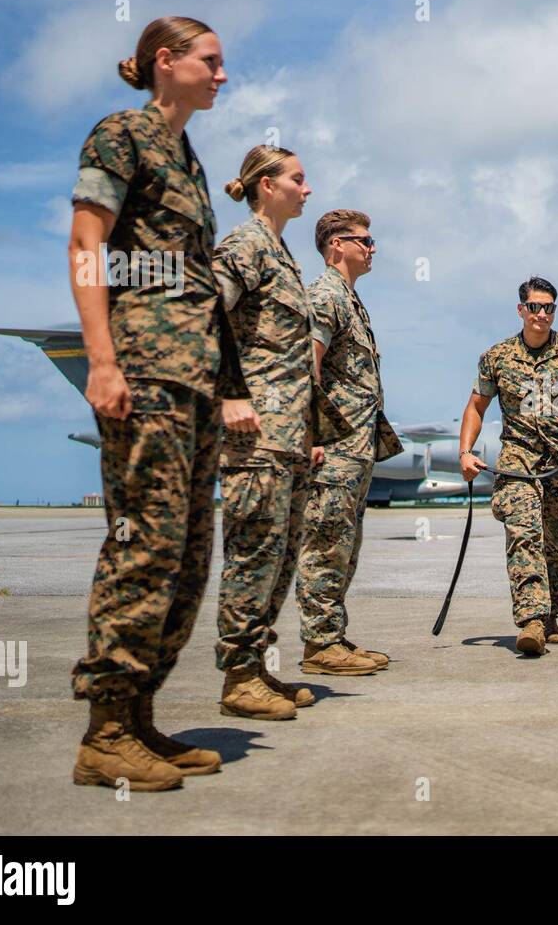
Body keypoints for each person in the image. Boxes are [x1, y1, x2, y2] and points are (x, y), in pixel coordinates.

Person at [68, 16, 233, 791]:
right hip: (143, 372)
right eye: (211, 62)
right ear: (165, 62)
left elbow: (199, 288)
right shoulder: (122, 135)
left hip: (192, 385)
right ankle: (104, 733)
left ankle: (137, 719)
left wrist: (227, 389)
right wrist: (101, 360)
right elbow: (86, 245)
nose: (222, 76)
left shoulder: (189, 160)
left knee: (188, 558)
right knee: (145, 549)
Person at [213, 145, 320, 719]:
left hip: (288, 440)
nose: (307, 189)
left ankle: (254, 669)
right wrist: (229, 393)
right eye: (298, 180)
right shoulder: (245, 246)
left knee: (278, 558)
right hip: (255, 440)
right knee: (253, 554)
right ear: (266, 185)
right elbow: (206, 317)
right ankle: (237, 678)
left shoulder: (282, 254)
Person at [459, 277, 558, 656]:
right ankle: (531, 620)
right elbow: (476, 407)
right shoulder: (496, 357)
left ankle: (550, 616)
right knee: (524, 532)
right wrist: (466, 451)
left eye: (548, 308)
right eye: (534, 307)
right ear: (521, 309)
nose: (541, 314)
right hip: (518, 459)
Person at [294, 210, 389, 676]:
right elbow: (304, 367)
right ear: (336, 245)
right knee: (326, 541)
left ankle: (331, 636)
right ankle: (319, 646)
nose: (372, 248)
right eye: (364, 241)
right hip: (333, 450)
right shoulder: (326, 295)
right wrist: (310, 434)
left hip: (354, 449)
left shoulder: (351, 300)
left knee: (343, 543)